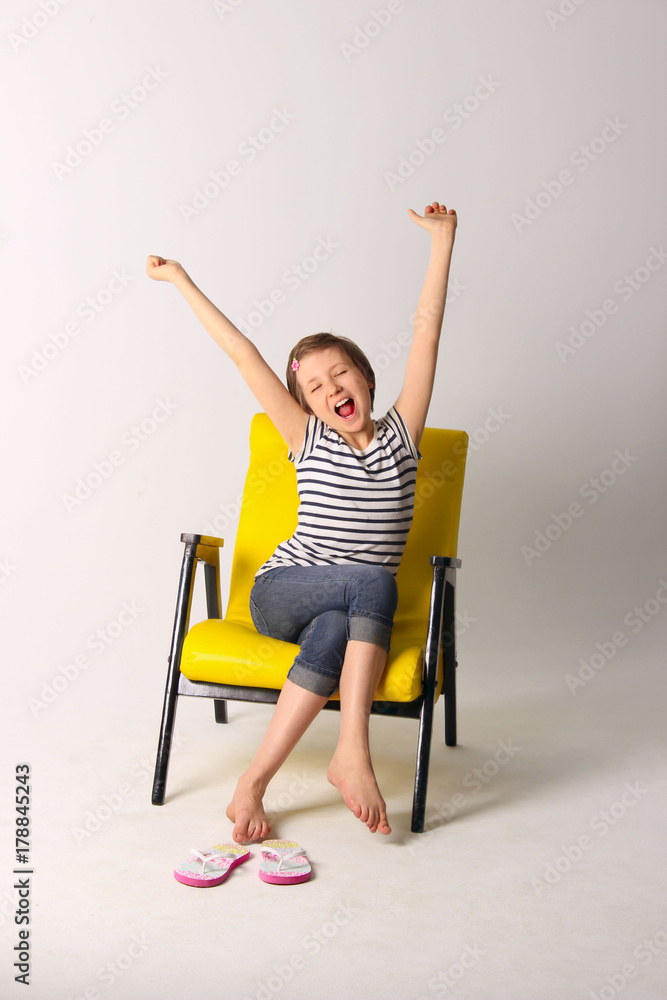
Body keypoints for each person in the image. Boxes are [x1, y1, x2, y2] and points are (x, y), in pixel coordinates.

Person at [146, 200, 457, 841]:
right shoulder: (308, 438)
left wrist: (442, 240)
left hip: (333, 612)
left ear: (366, 379)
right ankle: (353, 752)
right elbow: (243, 353)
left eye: (339, 372)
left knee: (340, 625)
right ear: (305, 406)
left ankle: (251, 786)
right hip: (281, 592)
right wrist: (180, 279)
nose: (330, 388)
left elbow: (426, 332)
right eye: (313, 386)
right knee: (374, 581)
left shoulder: (403, 436)